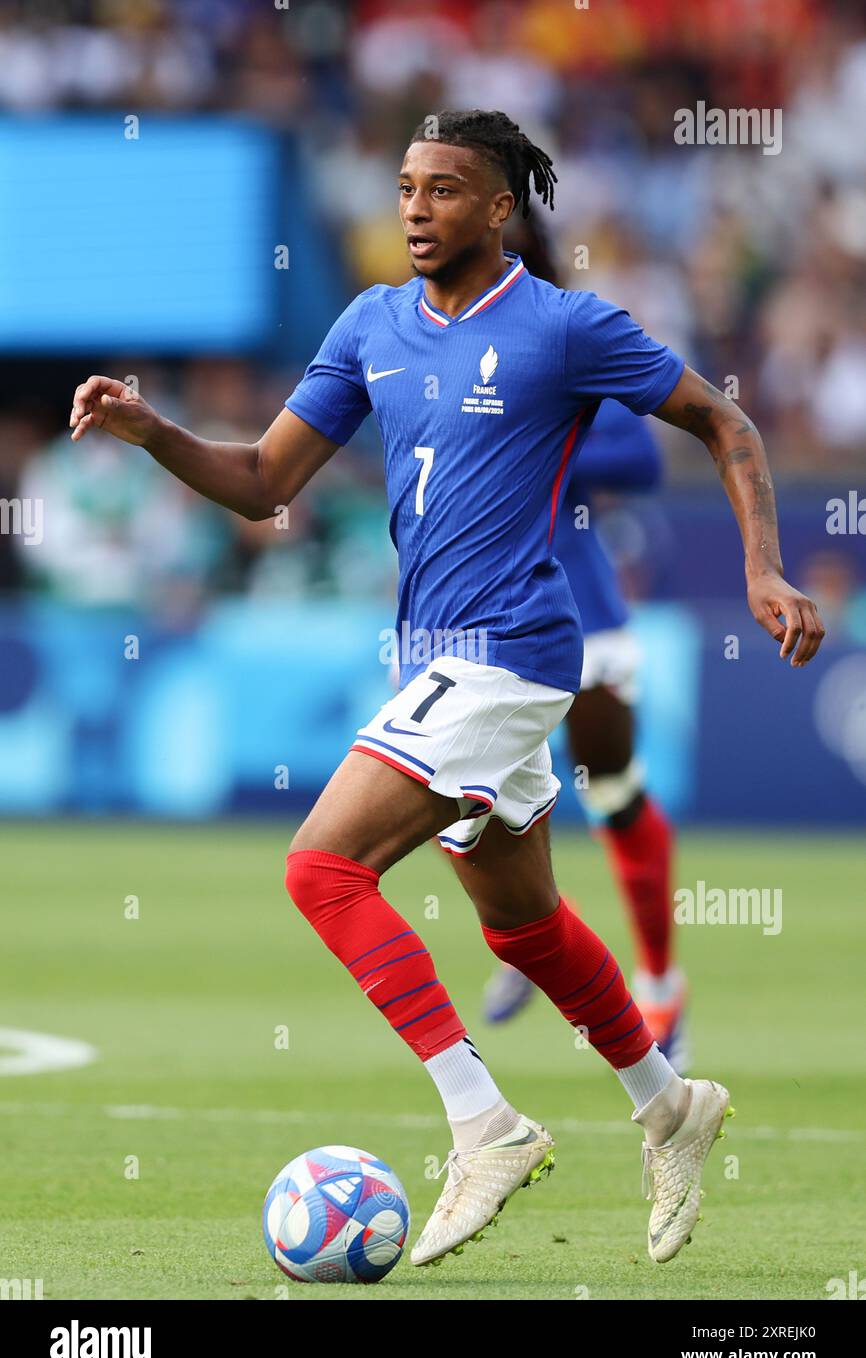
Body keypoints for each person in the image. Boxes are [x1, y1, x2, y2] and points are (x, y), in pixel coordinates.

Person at [69, 109, 824, 1270]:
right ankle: (668, 1103)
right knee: (522, 925)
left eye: (442, 190)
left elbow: (719, 421)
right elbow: (264, 478)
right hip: (429, 654)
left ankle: (484, 1123)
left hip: (509, 650)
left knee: (321, 867)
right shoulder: (371, 320)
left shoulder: (564, 327)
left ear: (500, 208)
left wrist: (761, 566)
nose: (414, 208)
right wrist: (152, 429)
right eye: (407, 187)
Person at [480, 396, 689, 1070]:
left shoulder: (565, 344)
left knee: (612, 792)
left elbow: (641, 459)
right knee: (452, 795)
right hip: (469, 613)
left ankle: (659, 983)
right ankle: (535, 928)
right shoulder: (424, 343)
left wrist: (535, 437)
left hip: (580, 609)